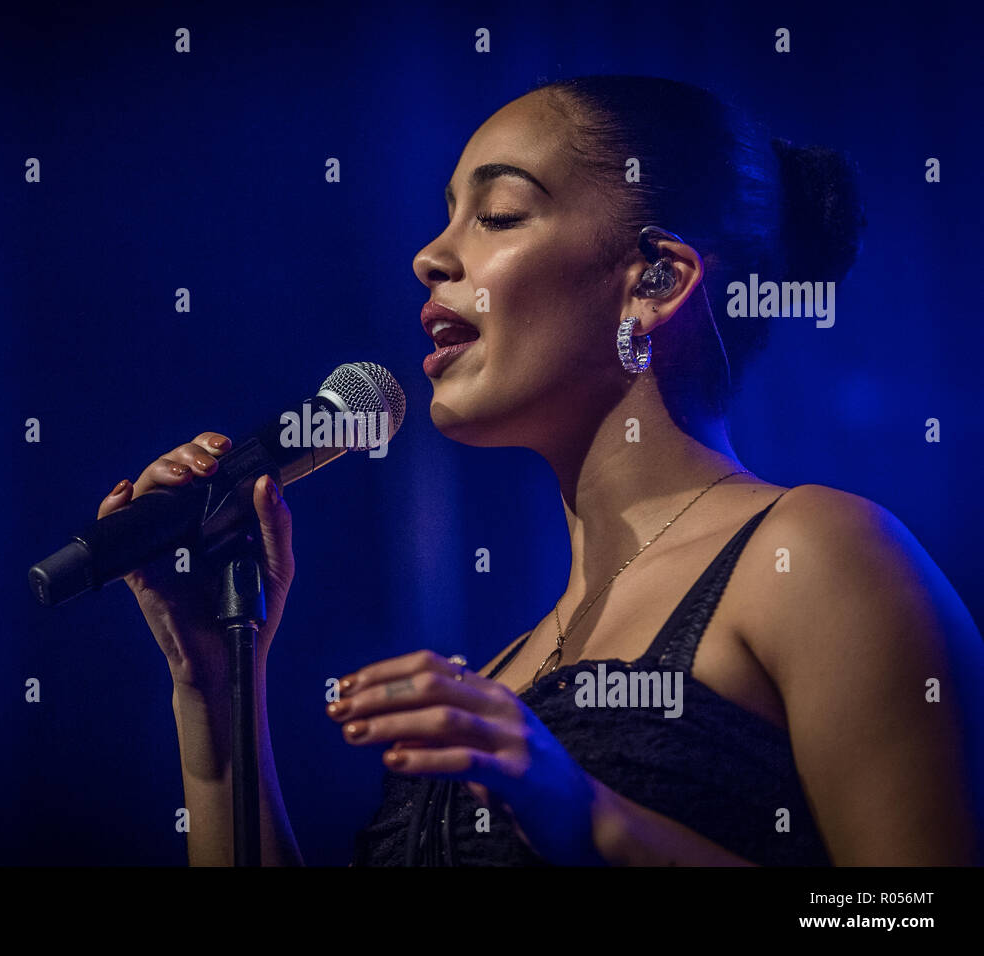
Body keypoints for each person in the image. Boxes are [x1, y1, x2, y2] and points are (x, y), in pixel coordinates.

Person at [98, 75, 984, 865]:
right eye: (447, 215)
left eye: (498, 214)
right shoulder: (505, 671)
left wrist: (595, 824)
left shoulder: (816, 555)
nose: (431, 256)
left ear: (654, 280)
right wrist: (215, 695)